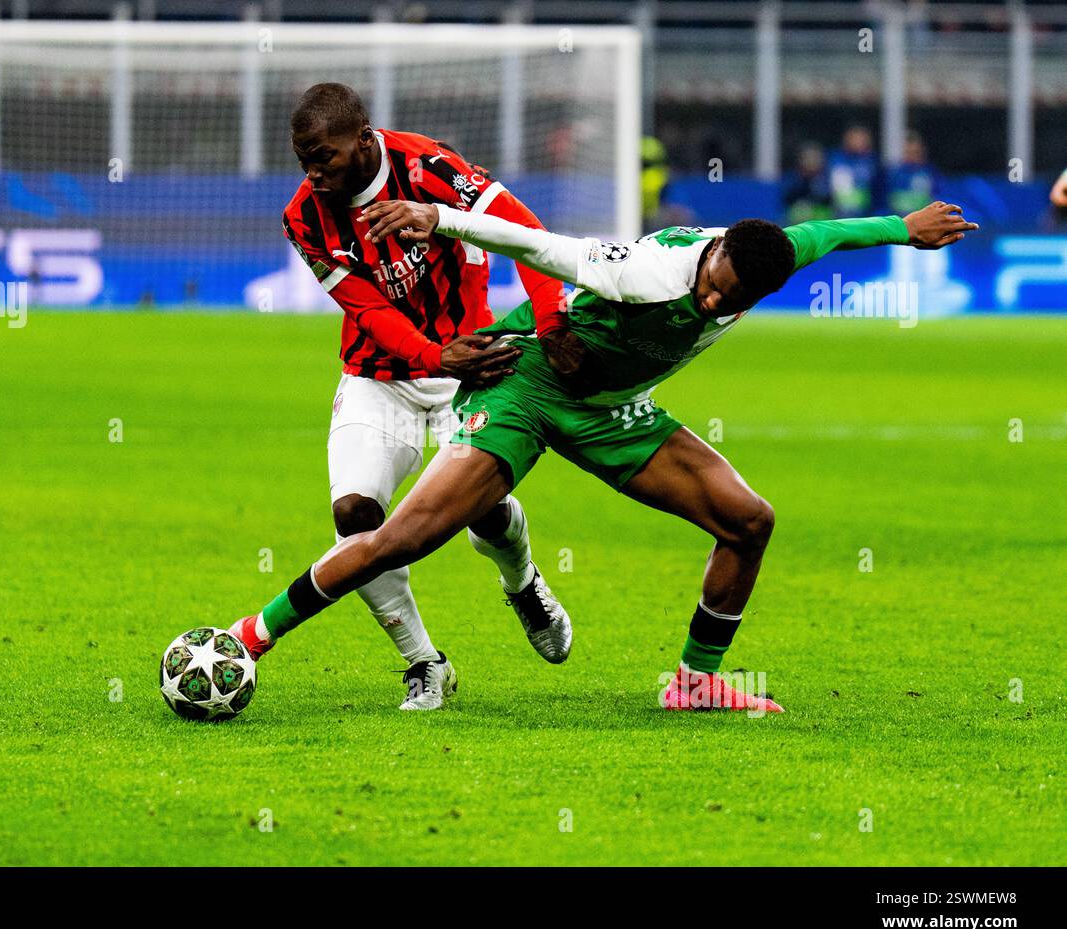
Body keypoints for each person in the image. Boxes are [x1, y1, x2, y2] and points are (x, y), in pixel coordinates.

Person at [231, 198, 978, 713]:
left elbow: (828, 232)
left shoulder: (766, 256)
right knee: (406, 537)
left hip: (611, 410)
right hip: (526, 383)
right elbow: (538, 247)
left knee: (749, 521)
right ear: (712, 254)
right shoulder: (646, 270)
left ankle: (695, 683)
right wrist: (441, 219)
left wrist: (902, 229)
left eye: (732, 302)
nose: (713, 304)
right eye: (713, 288)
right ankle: (247, 638)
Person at [280, 83, 572, 710]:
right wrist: (432, 355)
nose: (313, 173)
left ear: (364, 140)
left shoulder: (429, 167)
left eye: (323, 157)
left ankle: (521, 580)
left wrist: (551, 322)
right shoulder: (303, 216)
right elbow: (365, 308)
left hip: (471, 370)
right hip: (378, 376)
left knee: (481, 512)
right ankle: (423, 662)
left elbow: (523, 231)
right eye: (303, 160)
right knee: (354, 516)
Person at [827, 125, 880, 218]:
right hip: (838, 213)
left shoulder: (872, 161)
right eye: (854, 138)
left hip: (866, 214)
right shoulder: (836, 159)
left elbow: (878, 190)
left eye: (861, 138)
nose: (857, 142)